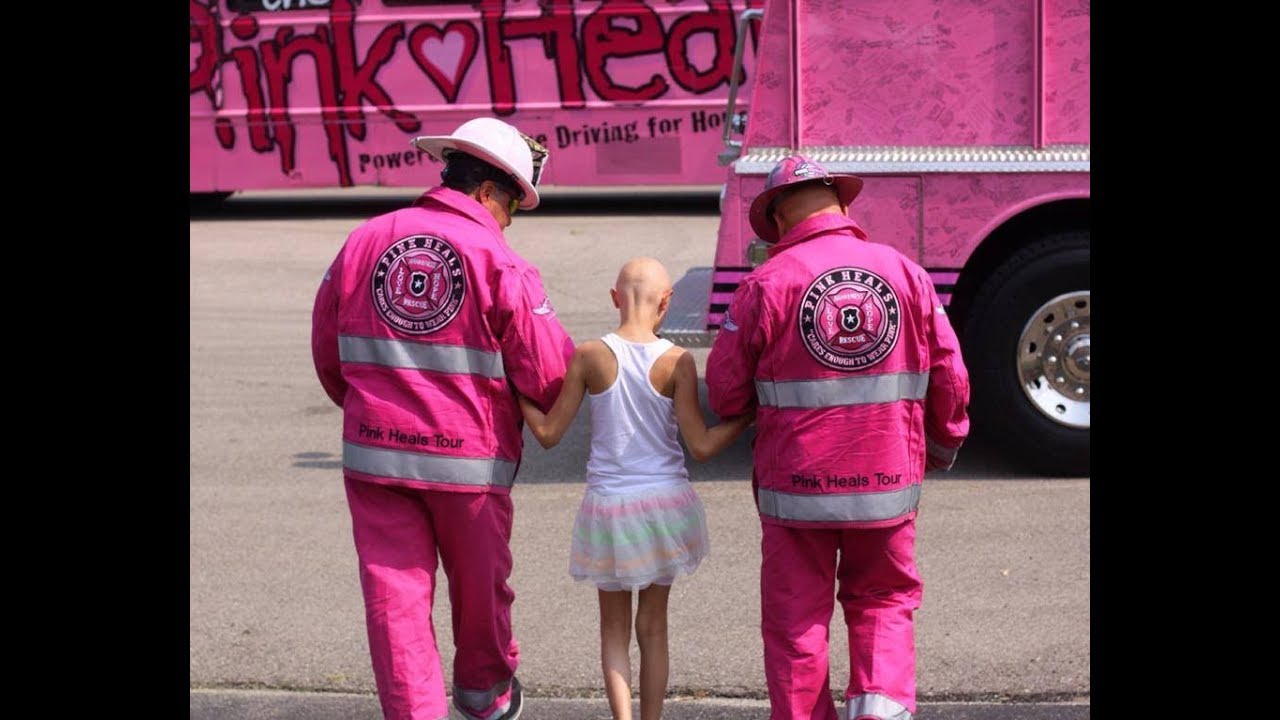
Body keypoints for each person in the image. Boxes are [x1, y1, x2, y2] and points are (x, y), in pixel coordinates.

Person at [310, 116, 574, 720]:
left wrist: (368, 408)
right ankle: (487, 697)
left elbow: (329, 352)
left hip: (377, 457)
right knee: (481, 590)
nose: (509, 222)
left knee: (394, 600)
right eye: (511, 206)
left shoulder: (364, 241)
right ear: (487, 192)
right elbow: (549, 374)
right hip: (468, 466)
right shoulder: (500, 262)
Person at [705, 156, 971, 720]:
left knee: (796, 622)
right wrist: (944, 443)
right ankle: (878, 711)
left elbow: (725, 392)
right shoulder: (904, 272)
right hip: (886, 482)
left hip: (795, 490)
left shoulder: (763, 285)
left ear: (777, 220)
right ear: (842, 205)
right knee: (882, 601)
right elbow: (950, 371)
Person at [517, 257, 754, 720]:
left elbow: (547, 434)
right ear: (667, 303)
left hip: (610, 508)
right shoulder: (678, 361)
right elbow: (702, 446)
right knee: (654, 627)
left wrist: (517, 391)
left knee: (613, 631)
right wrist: (745, 418)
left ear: (613, 298)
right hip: (666, 505)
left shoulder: (588, 356)